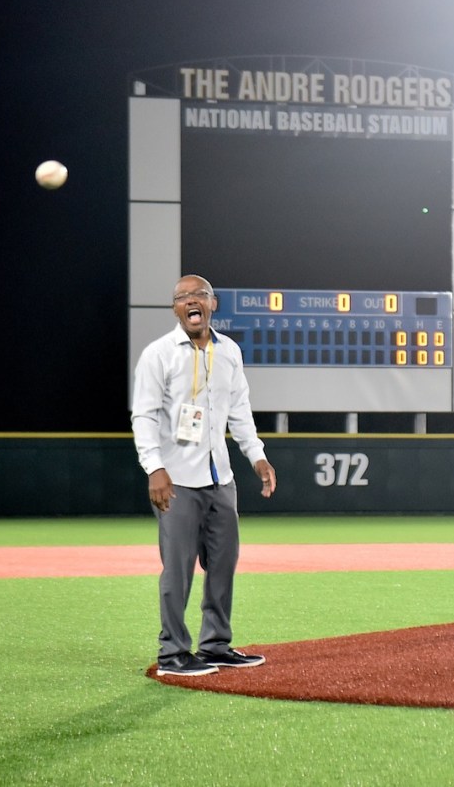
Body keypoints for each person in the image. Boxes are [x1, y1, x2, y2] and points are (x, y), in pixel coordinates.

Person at [132, 274, 277, 676]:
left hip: (220, 478)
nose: (191, 300)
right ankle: (173, 654)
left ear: (213, 304)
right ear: (175, 309)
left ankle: (215, 645)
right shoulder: (159, 354)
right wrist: (154, 467)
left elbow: (240, 410)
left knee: (223, 564)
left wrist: (257, 456)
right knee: (177, 570)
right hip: (177, 480)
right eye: (182, 297)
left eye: (199, 294)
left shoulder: (229, 351)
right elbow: (144, 415)